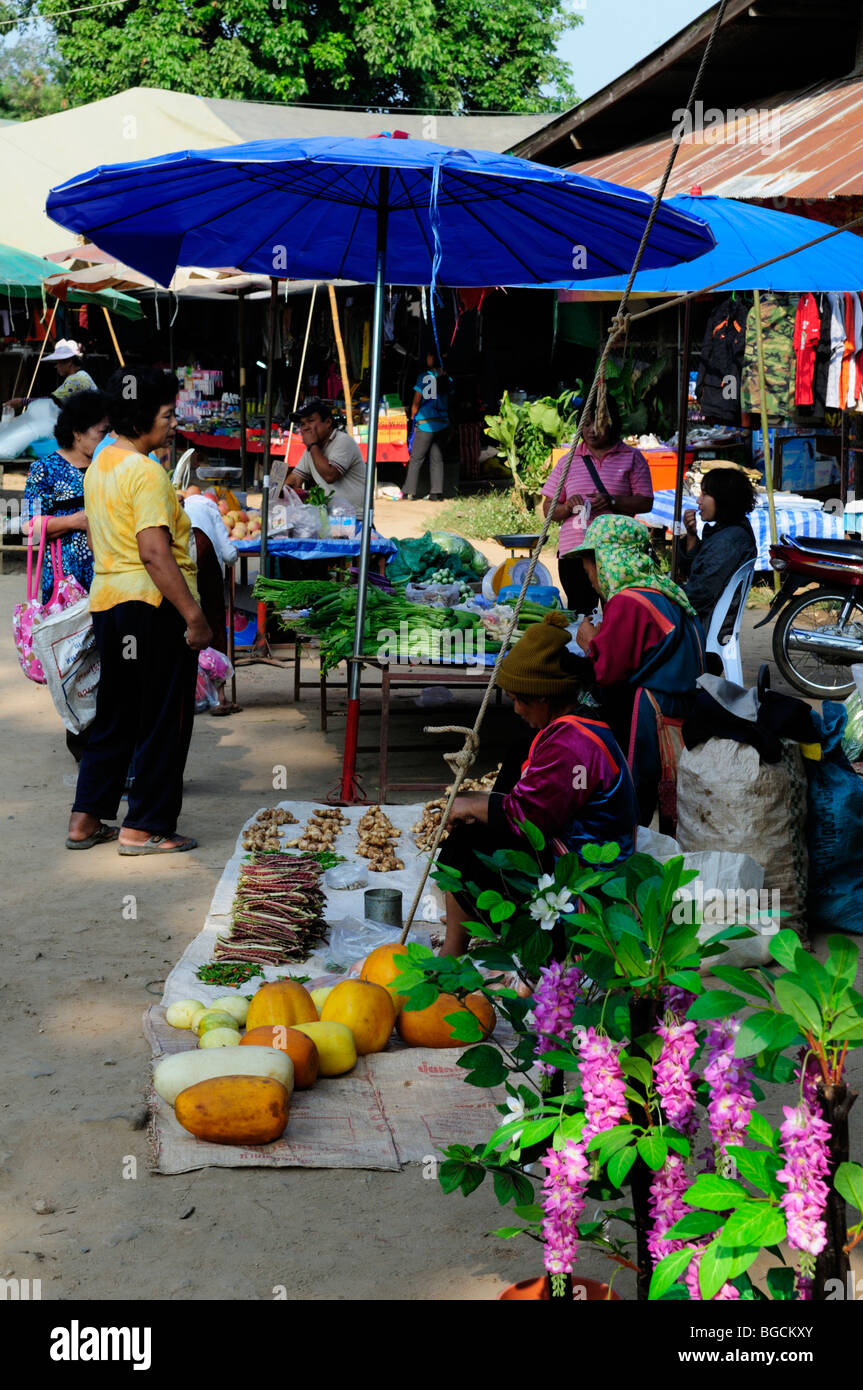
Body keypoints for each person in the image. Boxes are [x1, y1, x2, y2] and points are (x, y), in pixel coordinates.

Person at [66, 367, 212, 854]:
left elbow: (100, 534)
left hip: (110, 603)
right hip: (152, 605)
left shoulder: (102, 462)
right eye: (168, 415)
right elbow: (154, 552)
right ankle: (144, 826)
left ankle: (85, 820)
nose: (174, 423)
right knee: (162, 718)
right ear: (143, 416)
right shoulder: (145, 472)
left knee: (115, 715)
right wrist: (193, 616)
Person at [437, 612, 639, 957]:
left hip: (587, 882)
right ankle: (466, 944)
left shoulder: (572, 745)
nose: (515, 709)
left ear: (544, 698)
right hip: (570, 851)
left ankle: (519, 951)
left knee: (465, 848)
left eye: (519, 699)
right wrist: (479, 804)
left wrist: (471, 804)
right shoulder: (567, 727)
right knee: (475, 828)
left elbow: (528, 817)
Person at [573, 515, 705, 828]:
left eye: (589, 562)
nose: (587, 572)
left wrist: (590, 643)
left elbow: (607, 671)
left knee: (638, 797)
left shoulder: (628, 601)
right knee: (667, 799)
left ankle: (631, 859)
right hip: (681, 704)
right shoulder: (662, 590)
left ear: (605, 560)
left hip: (652, 711)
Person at [542, 395, 654, 616]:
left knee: (618, 615)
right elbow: (548, 509)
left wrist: (612, 500)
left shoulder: (632, 458)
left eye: (598, 423)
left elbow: (645, 501)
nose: (591, 430)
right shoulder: (568, 460)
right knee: (581, 616)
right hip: (574, 554)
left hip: (617, 554)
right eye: (585, 424)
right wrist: (566, 508)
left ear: (612, 424)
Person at [23, 390, 109, 604]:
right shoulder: (45, 469)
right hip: (65, 582)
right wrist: (73, 521)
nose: (107, 439)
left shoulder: (108, 465)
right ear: (77, 432)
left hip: (109, 575)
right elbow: (28, 528)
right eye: (102, 432)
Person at [678, 466, 757, 631]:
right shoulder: (726, 532)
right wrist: (691, 535)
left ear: (723, 499)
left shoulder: (729, 541)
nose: (698, 501)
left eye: (704, 494)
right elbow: (693, 572)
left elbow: (700, 594)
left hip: (705, 623)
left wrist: (665, 593)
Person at [183, 491, 239, 715]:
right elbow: (229, 555)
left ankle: (190, 693)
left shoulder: (180, 503)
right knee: (214, 623)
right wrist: (235, 549)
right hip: (203, 552)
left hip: (180, 556)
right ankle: (219, 697)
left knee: (184, 624)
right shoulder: (210, 507)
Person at [284, 398, 366, 514]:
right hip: (330, 517)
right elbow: (296, 478)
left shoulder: (343, 441)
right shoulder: (312, 449)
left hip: (353, 518)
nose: (305, 427)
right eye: (302, 424)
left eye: (311, 421)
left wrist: (312, 445)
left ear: (328, 423)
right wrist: (281, 491)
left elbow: (330, 476)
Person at [402, 353, 450, 500]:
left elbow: (416, 400)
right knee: (437, 459)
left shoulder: (424, 377)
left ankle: (409, 491)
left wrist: (412, 417)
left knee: (416, 458)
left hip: (425, 424)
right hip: (442, 423)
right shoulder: (448, 378)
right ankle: (436, 493)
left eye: (429, 355)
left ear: (432, 359)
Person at [5, 339, 98, 411]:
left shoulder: (76, 379)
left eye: (58, 362)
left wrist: (22, 402)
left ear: (69, 362)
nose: (56, 366)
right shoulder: (81, 375)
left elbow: (52, 401)